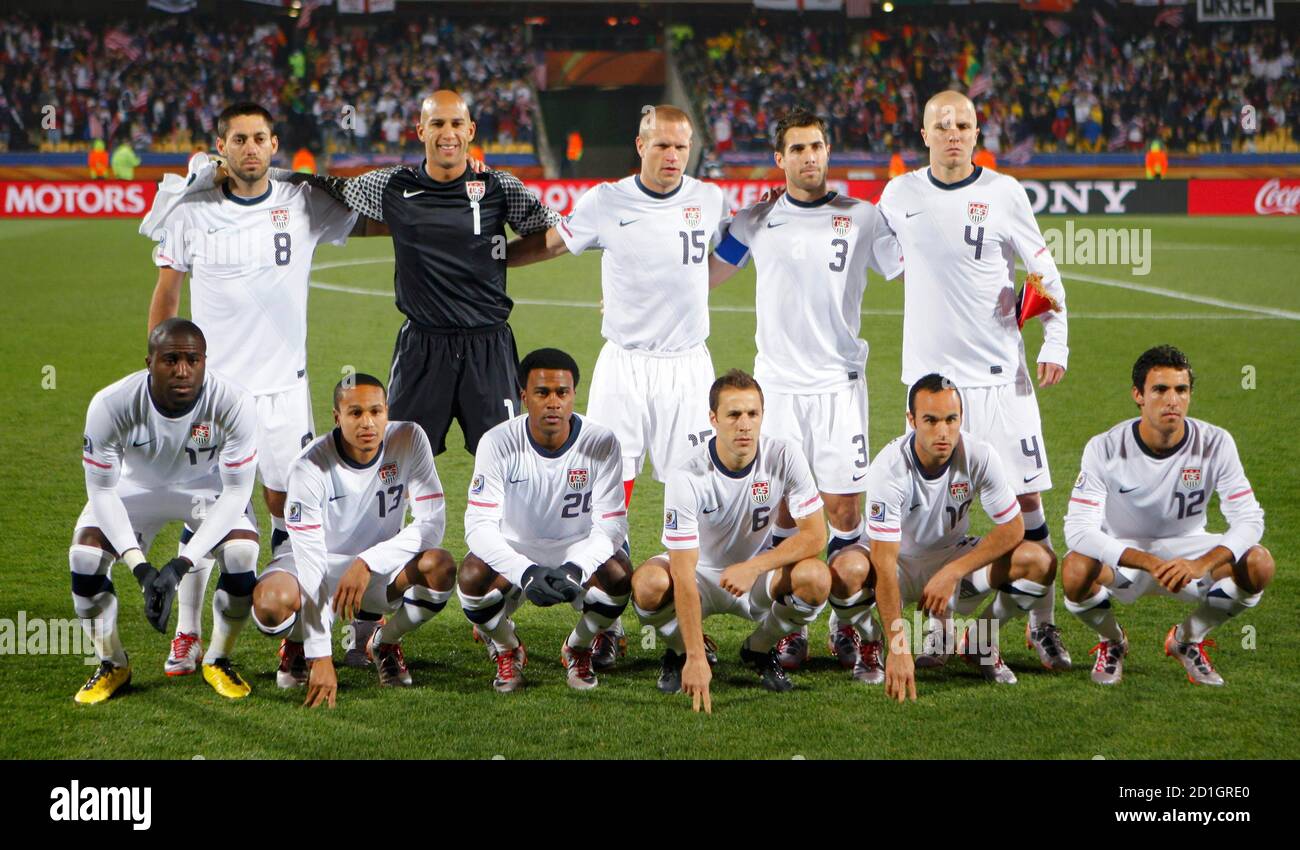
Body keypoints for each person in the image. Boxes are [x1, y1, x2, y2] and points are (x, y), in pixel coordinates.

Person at [289, 89, 561, 655]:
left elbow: (553, 230)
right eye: (436, 123)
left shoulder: (500, 187)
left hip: (489, 348)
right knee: (387, 471)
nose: (447, 133)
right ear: (419, 130)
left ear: (471, 129)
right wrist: (245, 172)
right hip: (422, 351)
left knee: (517, 472)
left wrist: (501, 258)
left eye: (456, 123)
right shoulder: (390, 185)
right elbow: (319, 188)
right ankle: (369, 611)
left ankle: (495, 607)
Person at [143, 102, 360, 678]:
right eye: (238, 139)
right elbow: (167, 292)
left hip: (285, 391)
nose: (250, 148)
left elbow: (373, 219)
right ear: (222, 146)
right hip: (215, 394)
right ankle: (188, 633)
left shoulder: (304, 201)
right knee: (204, 510)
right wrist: (163, 368)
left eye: (260, 138)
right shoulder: (193, 212)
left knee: (289, 506)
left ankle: (292, 630)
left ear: (274, 143)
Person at [876, 90, 1073, 671]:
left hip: (998, 380)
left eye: (965, 124)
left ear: (976, 132)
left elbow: (1044, 272)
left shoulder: (1004, 193)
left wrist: (1055, 340)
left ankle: (1041, 628)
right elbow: (862, 249)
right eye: (944, 124)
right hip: (932, 391)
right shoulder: (899, 194)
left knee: (1028, 501)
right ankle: (935, 634)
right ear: (924, 132)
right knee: (926, 516)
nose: (955, 133)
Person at [708, 108, 903, 673]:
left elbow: (915, 271)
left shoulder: (863, 217)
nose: (809, 157)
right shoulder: (756, 219)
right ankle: (792, 619)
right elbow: (707, 277)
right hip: (779, 388)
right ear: (780, 159)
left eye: (816, 146)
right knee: (789, 508)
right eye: (797, 149)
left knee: (844, 506)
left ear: (827, 150)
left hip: (839, 385)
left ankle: (848, 623)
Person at [71, 319, 260, 704]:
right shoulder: (111, 404)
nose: (182, 370)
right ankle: (113, 664)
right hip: (135, 490)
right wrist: (141, 568)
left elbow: (237, 492)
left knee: (242, 554)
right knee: (85, 559)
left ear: (205, 361)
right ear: (149, 362)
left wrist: (178, 566)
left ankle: (217, 659)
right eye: (170, 360)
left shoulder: (234, 403)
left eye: (193, 359)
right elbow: (102, 492)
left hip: (206, 491)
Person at [1062, 346, 1272, 686]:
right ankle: (1112, 641)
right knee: (1074, 569)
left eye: (1181, 390)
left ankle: (1187, 640)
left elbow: (1250, 520)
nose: (1172, 400)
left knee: (1259, 563)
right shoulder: (1104, 447)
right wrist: (1146, 561)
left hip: (1189, 551)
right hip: (1127, 553)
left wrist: (1202, 563)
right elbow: (1078, 530)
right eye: (1160, 390)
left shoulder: (1216, 442)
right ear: (1138, 396)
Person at [833, 374, 1052, 698]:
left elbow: (1013, 528)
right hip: (899, 566)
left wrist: (952, 572)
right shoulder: (890, 468)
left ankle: (980, 640)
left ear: (961, 418)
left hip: (952, 558)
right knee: (846, 573)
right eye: (930, 420)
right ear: (911, 420)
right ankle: (871, 641)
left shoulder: (979, 455)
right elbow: (882, 559)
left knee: (1037, 561)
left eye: (951, 419)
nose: (943, 431)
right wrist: (899, 645)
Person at [251, 374, 456, 705]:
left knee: (439, 566)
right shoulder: (309, 467)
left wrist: (368, 561)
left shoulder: (409, 438)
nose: (368, 423)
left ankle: (384, 642)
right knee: (271, 604)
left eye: (376, 412)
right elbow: (312, 561)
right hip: (316, 565)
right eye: (355, 413)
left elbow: (432, 522)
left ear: (387, 412)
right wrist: (321, 657)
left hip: (376, 570)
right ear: (337, 417)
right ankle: (299, 642)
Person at [633, 370, 832, 710]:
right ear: (714, 418)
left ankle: (758, 649)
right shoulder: (686, 473)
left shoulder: (784, 455)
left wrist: (753, 566)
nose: (744, 424)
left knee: (816, 578)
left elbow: (816, 535)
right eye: (734, 414)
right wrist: (694, 657)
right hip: (698, 575)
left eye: (752, 414)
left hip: (755, 574)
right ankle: (682, 651)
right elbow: (682, 570)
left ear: (762, 416)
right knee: (648, 585)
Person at [457, 349, 631, 693]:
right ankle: (508, 648)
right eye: (542, 393)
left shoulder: (602, 442)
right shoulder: (496, 442)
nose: (553, 403)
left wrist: (576, 568)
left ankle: (578, 647)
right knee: (472, 578)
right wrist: (525, 571)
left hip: (578, 543)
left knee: (620, 574)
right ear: (524, 397)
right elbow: (478, 526)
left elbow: (612, 525)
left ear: (573, 396)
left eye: (562, 393)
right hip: (517, 546)